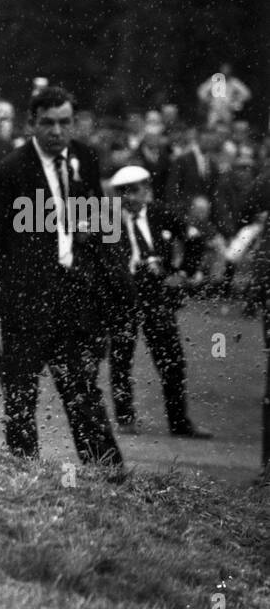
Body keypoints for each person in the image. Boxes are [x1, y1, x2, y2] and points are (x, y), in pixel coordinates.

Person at [0, 86, 124, 467]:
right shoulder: (11, 171)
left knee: (83, 392)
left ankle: (106, 474)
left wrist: (99, 282)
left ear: (74, 123)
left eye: (64, 122)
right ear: (31, 125)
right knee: (21, 396)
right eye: (48, 123)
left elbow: (99, 229)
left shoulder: (85, 160)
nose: (57, 131)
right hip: (25, 302)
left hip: (74, 298)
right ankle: (23, 472)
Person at [104, 165, 213, 439]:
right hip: (123, 297)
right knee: (121, 358)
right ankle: (125, 417)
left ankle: (179, 421)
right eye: (122, 192)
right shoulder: (109, 219)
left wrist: (183, 273)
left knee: (171, 359)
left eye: (134, 190)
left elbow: (194, 239)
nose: (129, 197)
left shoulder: (161, 213)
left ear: (146, 190)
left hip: (156, 296)